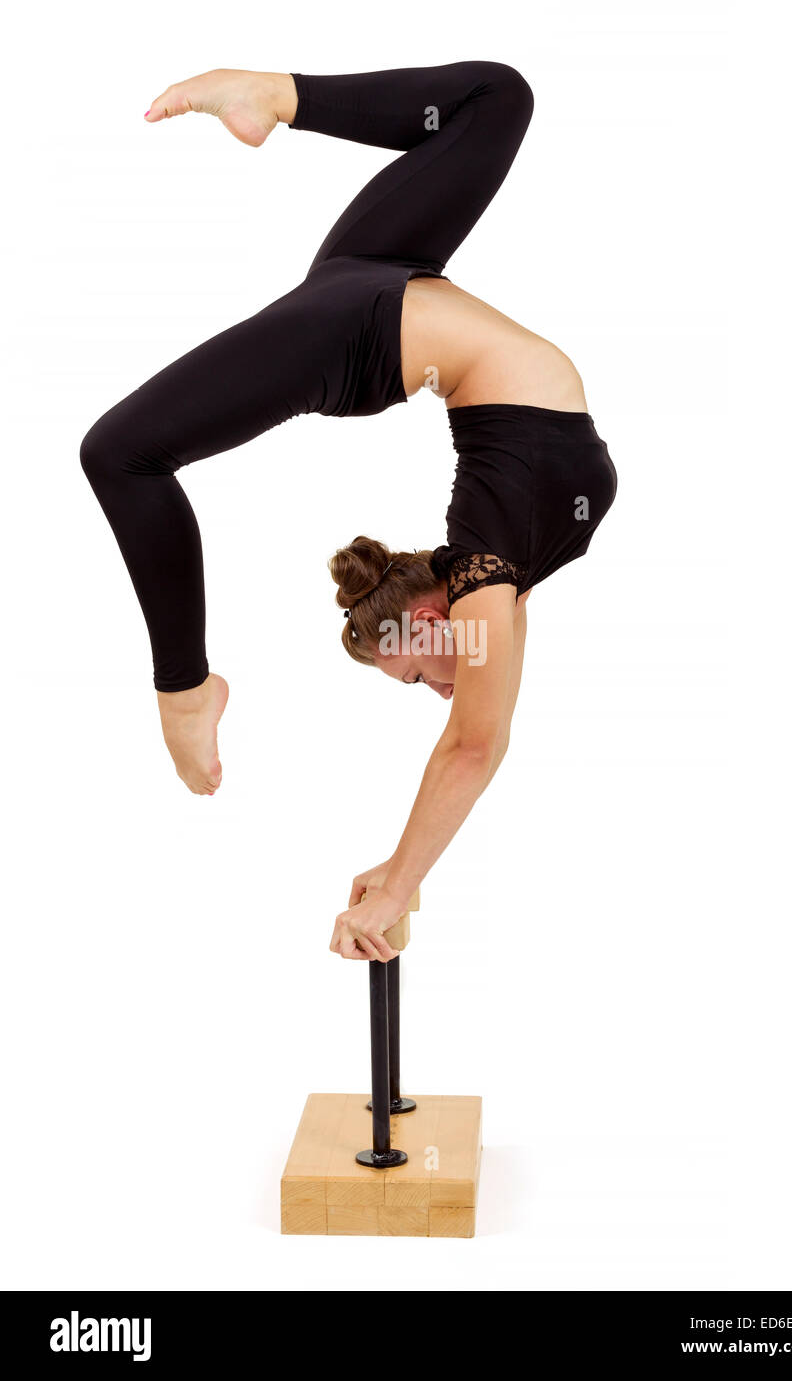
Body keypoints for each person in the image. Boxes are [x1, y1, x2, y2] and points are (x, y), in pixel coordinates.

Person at [79, 62, 617, 959]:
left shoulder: (489, 564)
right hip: (373, 294)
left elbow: (475, 737)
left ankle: (185, 688)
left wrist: (399, 877)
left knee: (122, 454)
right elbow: (478, 741)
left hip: (369, 309)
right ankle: (274, 96)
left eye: (417, 680)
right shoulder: (495, 568)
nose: (439, 690)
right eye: (419, 684)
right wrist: (400, 876)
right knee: (500, 98)